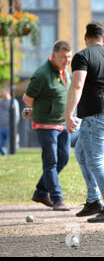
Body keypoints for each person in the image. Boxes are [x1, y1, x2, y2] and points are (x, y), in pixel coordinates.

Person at [65, 21, 104, 223]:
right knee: (81, 152)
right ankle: (93, 201)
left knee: (96, 161)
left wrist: (68, 114)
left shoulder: (82, 56)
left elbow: (77, 84)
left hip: (96, 116)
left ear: (85, 37)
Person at [23, 41, 72, 211]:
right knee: (51, 162)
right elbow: (27, 98)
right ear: (54, 55)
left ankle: (41, 192)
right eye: (64, 57)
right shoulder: (42, 74)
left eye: (69, 57)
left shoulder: (65, 71)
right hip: (45, 124)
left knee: (64, 158)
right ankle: (57, 199)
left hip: (62, 122)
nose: (67, 60)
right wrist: (36, 109)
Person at [0, 86, 19, 155]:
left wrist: (13, 126)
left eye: (3, 91)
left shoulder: (13, 102)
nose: (2, 93)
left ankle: (10, 156)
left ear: (8, 91)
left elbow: (16, 115)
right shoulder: (1, 102)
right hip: (1, 127)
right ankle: (5, 155)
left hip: (10, 127)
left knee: (10, 145)